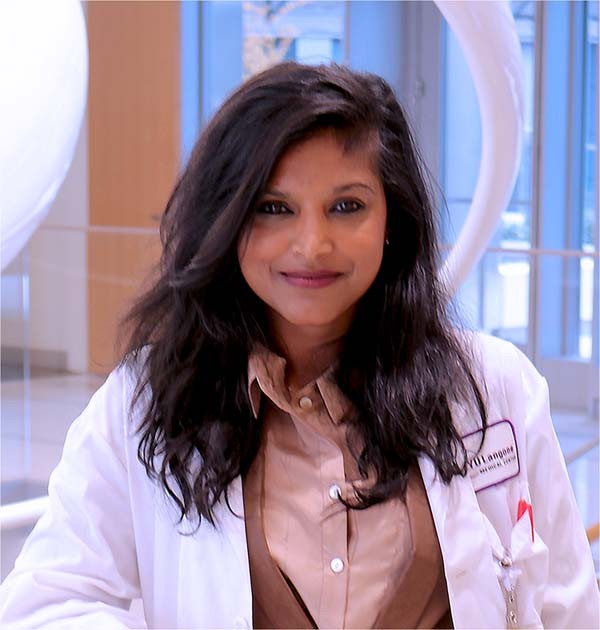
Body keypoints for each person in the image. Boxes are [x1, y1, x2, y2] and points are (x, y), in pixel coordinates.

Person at [0, 62, 598, 629]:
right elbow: (50, 602)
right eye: (273, 208)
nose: (312, 246)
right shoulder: (145, 402)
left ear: (392, 220)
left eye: (347, 206)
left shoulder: (493, 387)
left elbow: (570, 609)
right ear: (226, 220)